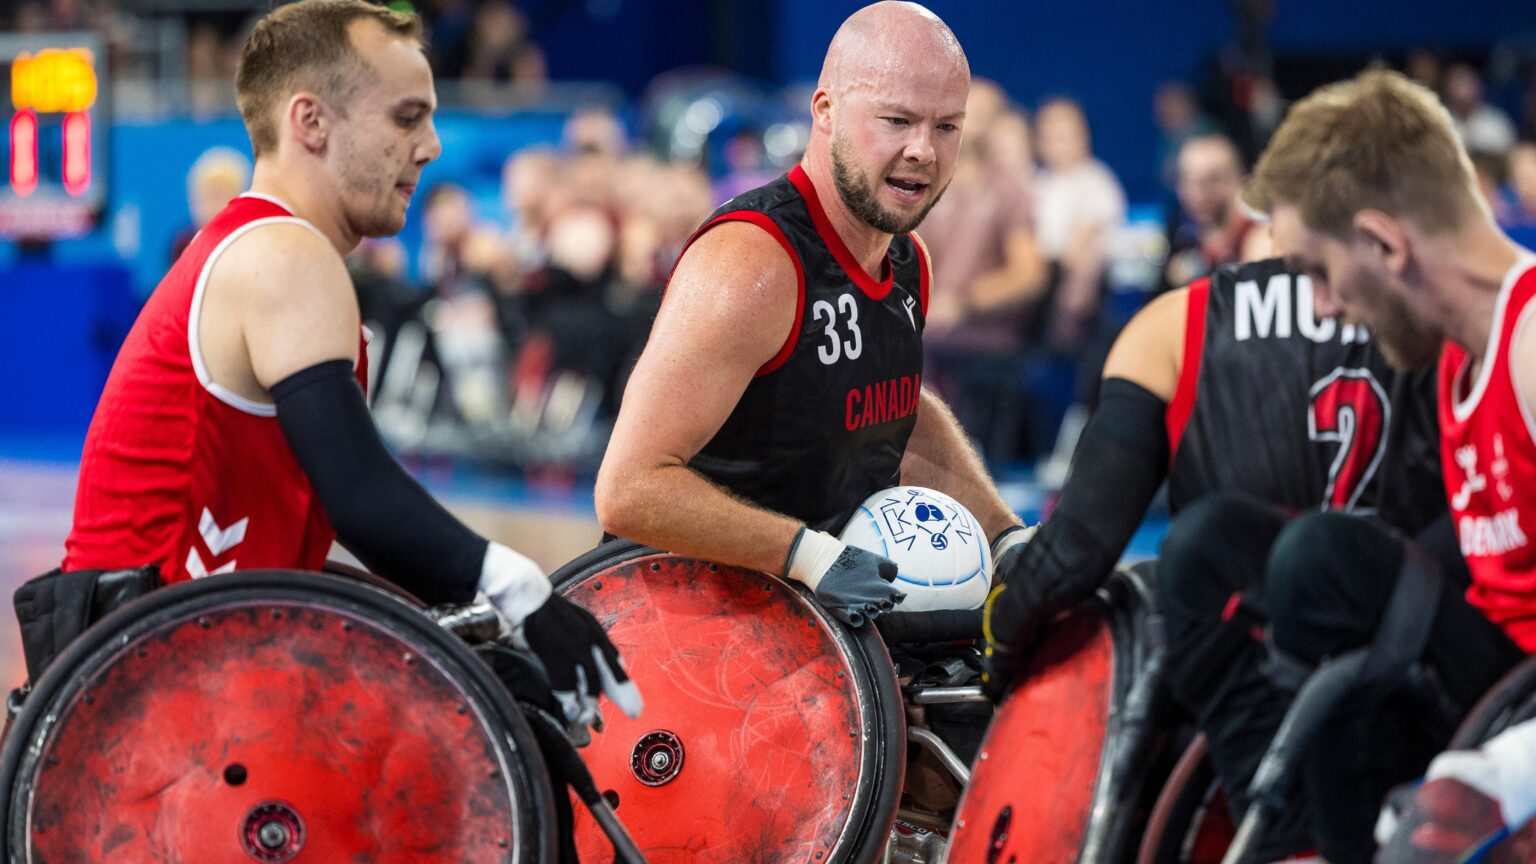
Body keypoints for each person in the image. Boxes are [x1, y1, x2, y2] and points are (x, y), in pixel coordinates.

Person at [57, 0, 637, 730]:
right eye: (405, 117)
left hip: (154, 658)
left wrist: (476, 617)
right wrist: (521, 590)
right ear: (311, 122)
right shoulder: (283, 253)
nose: (429, 146)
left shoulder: (262, 246)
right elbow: (362, 495)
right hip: (151, 686)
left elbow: (348, 514)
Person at [594, 1, 1030, 627]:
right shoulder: (752, 261)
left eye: (947, 128)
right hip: (674, 624)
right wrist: (807, 554)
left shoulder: (908, 260)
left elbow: (898, 409)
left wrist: (1006, 537)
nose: (924, 151)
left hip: (798, 622)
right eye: (898, 120)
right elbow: (629, 490)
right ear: (824, 111)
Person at [1232, 68, 1536, 862]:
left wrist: (1508, 773)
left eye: (1315, 273)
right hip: (1492, 709)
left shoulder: (1531, 348)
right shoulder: (1451, 362)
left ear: (1382, 242)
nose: (1324, 309)